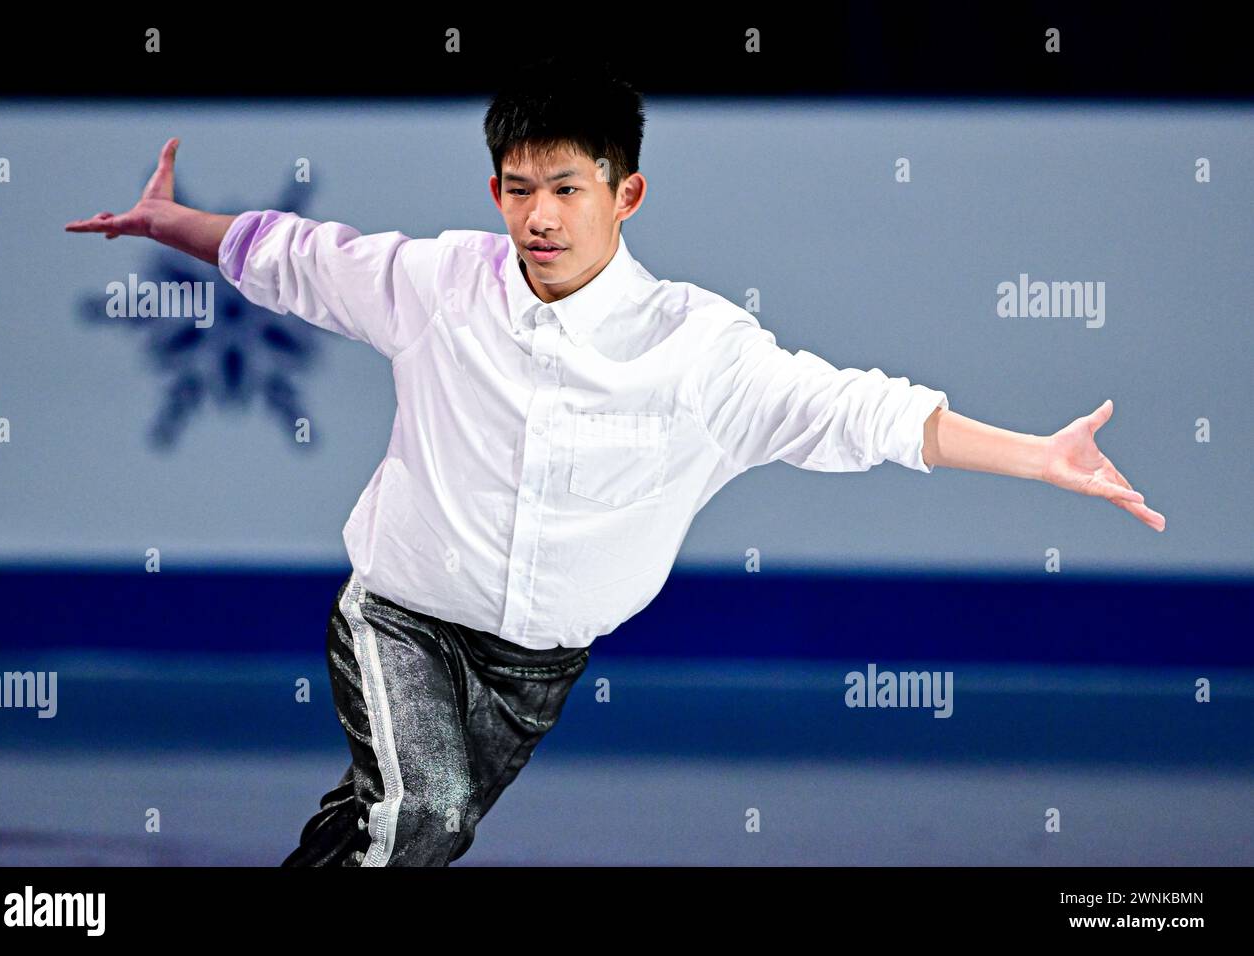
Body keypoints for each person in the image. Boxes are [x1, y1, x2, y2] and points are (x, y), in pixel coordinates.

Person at [64, 56, 1166, 866]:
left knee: (389, 827)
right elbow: (296, 254)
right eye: (515, 186)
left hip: (539, 667)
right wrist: (171, 225)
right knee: (426, 814)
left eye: (565, 188)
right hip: (399, 614)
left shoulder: (698, 348)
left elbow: (858, 411)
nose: (536, 216)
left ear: (624, 193)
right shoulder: (439, 284)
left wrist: (1035, 457)